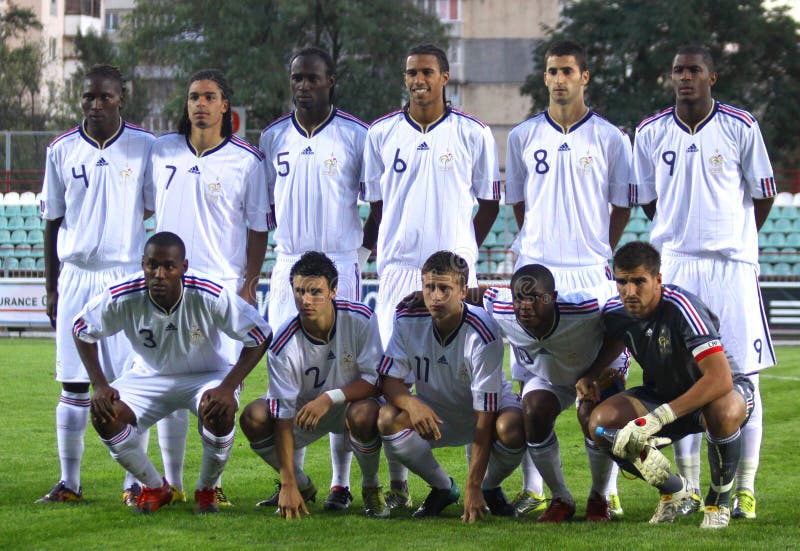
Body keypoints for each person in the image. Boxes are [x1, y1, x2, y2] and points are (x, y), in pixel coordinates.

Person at [632, 44, 775, 519]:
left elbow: (763, 194)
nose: (685, 77)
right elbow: (649, 201)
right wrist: (676, 238)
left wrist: (735, 240)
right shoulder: (649, 132)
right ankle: (689, 488)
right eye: (678, 71)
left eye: (694, 70)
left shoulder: (741, 125)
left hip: (730, 267)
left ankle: (745, 490)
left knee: (742, 379)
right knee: (679, 378)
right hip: (676, 264)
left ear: (712, 76)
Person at [363, 43, 501, 508]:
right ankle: (401, 485)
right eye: (410, 73)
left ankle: (476, 485)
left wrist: (463, 255)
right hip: (401, 271)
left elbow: (490, 202)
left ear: (445, 77)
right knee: (393, 382)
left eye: (426, 71)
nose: (418, 79)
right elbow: (377, 207)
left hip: (454, 274)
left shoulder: (474, 132)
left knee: (468, 378)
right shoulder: (380, 133)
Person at [504, 39, 633, 516]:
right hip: (536, 270)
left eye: (566, 71)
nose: (558, 79)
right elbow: (519, 204)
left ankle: (607, 491)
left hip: (589, 273)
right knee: (531, 390)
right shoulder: (521, 136)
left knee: (600, 386)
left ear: (584, 77)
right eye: (551, 71)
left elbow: (621, 205)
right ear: (545, 78)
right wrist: (538, 245)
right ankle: (537, 489)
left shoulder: (611, 138)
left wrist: (598, 247)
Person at [72, 232, 271, 514]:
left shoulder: (208, 292)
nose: (159, 274)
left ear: (184, 267)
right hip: (149, 377)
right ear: (143, 264)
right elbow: (81, 329)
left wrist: (229, 386)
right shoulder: (123, 294)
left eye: (168, 266)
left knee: (220, 409)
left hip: (206, 375)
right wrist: (100, 385)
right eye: (152, 265)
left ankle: (206, 489)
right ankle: (156, 486)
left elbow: (260, 334)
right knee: (104, 413)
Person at [146, 68, 271, 505]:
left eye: (209, 97)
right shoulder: (161, 152)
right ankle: (172, 483)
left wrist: (249, 284)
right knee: (169, 381)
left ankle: (210, 485)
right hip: (167, 289)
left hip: (219, 288)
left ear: (225, 107)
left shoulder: (247, 160)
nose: (200, 104)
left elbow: (258, 227)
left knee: (220, 392)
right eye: (193, 96)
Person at [259, 47, 371, 511]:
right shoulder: (270, 138)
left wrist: (360, 254)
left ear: (331, 80)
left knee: (341, 374)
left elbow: (378, 205)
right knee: (286, 375)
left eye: (312, 78)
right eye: (296, 78)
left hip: (341, 264)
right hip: (287, 267)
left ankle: (340, 484)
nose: (303, 85)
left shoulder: (358, 136)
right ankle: (293, 477)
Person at [37, 64, 155, 504]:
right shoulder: (61, 149)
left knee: (130, 382)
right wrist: (52, 288)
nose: (96, 104)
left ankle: (134, 482)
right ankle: (70, 482)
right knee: (73, 384)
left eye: (105, 97)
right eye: (89, 97)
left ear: (121, 97)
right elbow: (52, 222)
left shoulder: (144, 146)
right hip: (77, 277)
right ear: (80, 99)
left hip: (125, 277)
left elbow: (149, 210)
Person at [577, 241, 754, 529]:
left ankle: (718, 500)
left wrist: (657, 418)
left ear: (658, 279)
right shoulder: (616, 312)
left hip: (720, 393)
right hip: (662, 394)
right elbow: (616, 338)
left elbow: (720, 379)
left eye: (638, 281)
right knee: (600, 421)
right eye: (622, 282)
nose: (629, 291)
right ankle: (674, 490)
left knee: (722, 411)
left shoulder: (682, 307)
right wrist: (591, 374)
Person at [377, 251, 524, 522]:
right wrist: (412, 403)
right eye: (429, 288)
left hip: (486, 415)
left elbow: (485, 414)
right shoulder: (407, 318)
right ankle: (444, 488)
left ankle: (489, 487)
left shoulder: (483, 332)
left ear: (463, 292)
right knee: (387, 418)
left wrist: (475, 485)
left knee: (514, 427)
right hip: (435, 415)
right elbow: (390, 381)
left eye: (445, 288)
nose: (435, 296)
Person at [239, 252, 387, 519]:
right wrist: (288, 483)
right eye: (299, 291)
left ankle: (371, 487)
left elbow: (375, 382)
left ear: (333, 291)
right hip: (304, 412)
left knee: (365, 414)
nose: (306, 300)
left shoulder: (361, 318)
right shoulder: (283, 342)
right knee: (254, 416)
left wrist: (329, 398)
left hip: (350, 405)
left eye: (315, 291)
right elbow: (283, 415)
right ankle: (302, 486)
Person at [484, 264, 624, 522]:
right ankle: (561, 499)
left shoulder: (586, 306)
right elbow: (477, 293)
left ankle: (599, 498)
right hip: (548, 372)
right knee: (534, 411)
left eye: (534, 298)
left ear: (553, 298)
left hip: (596, 366)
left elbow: (621, 326)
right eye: (519, 298)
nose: (525, 306)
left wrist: (593, 373)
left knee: (592, 418)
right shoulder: (501, 307)